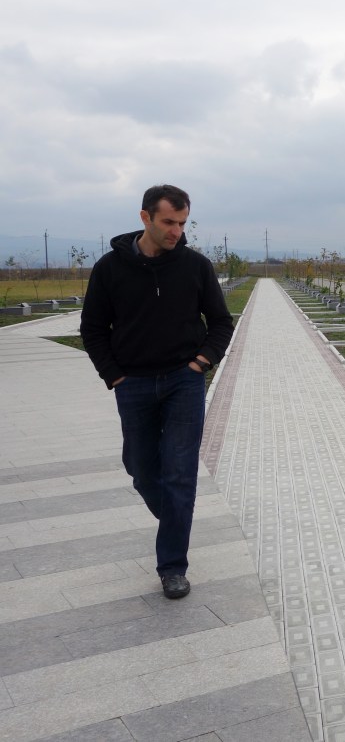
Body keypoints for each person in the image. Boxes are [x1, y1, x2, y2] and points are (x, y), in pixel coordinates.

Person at [81, 185, 234, 599]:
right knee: (142, 469)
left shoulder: (195, 266)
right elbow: (93, 330)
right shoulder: (110, 268)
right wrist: (114, 375)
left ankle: (172, 566)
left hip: (184, 381)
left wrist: (201, 363)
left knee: (180, 474)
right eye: (169, 222)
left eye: (183, 223)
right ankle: (176, 522)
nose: (177, 231)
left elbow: (221, 322)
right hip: (132, 384)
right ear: (145, 218)